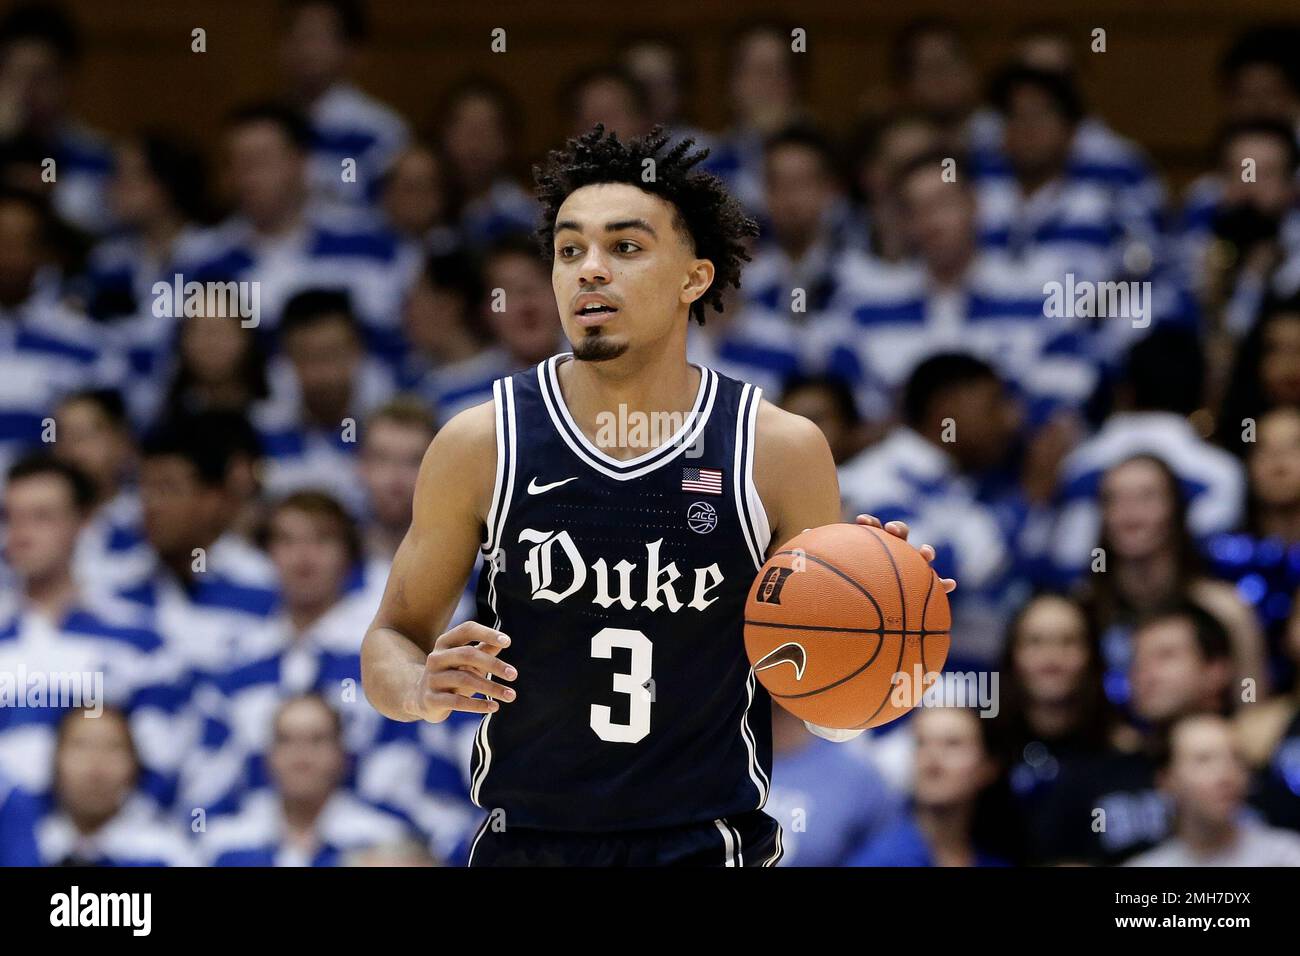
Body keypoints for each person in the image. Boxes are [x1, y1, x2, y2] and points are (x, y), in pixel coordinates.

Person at [359, 125, 954, 867]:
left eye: (626, 248)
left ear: (694, 277)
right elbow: (389, 639)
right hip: (530, 845)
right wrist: (418, 688)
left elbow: (823, 712)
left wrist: (884, 613)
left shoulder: (778, 450)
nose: (590, 271)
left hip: (707, 846)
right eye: (570, 250)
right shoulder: (482, 442)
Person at [0, 456, 188, 805]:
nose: (21, 533)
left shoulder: (138, 638)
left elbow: (161, 764)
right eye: (10, 517)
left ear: (83, 522)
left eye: (42, 516)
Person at [1078, 453, 1267, 707]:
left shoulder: (1226, 610)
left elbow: (1253, 712)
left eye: (1146, 497)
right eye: (1114, 499)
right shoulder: (1085, 608)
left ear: (1175, 508)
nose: (1129, 512)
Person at [200, 694, 411, 866]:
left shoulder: (383, 840)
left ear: (342, 754)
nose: (301, 756)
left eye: (317, 740)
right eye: (287, 740)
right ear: (268, 756)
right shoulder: (224, 843)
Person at [988, 593, 1119, 861]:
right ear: (1013, 654)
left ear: (1091, 654)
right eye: (1035, 642)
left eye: (1068, 642)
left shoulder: (1120, 749)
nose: (1051, 658)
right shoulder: (985, 748)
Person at [276, 0, 408, 209]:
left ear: (349, 48)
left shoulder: (378, 127)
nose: (305, 49)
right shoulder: (269, 126)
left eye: (317, 36)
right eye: (296, 35)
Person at [1126, 713, 1300, 866]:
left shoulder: (1287, 857)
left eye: (1235, 758)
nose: (1226, 775)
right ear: (1167, 781)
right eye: (1204, 760)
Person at [845, 708, 1009, 867]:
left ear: (988, 765)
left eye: (952, 744)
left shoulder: (998, 857)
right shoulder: (879, 860)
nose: (932, 760)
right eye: (921, 743)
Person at [36, 707, 195, 866]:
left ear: (135, 765)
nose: (96, 767)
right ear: (55, 760)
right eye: (81, 745)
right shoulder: (26, 843)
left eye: (113, 747)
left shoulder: (165, 854)